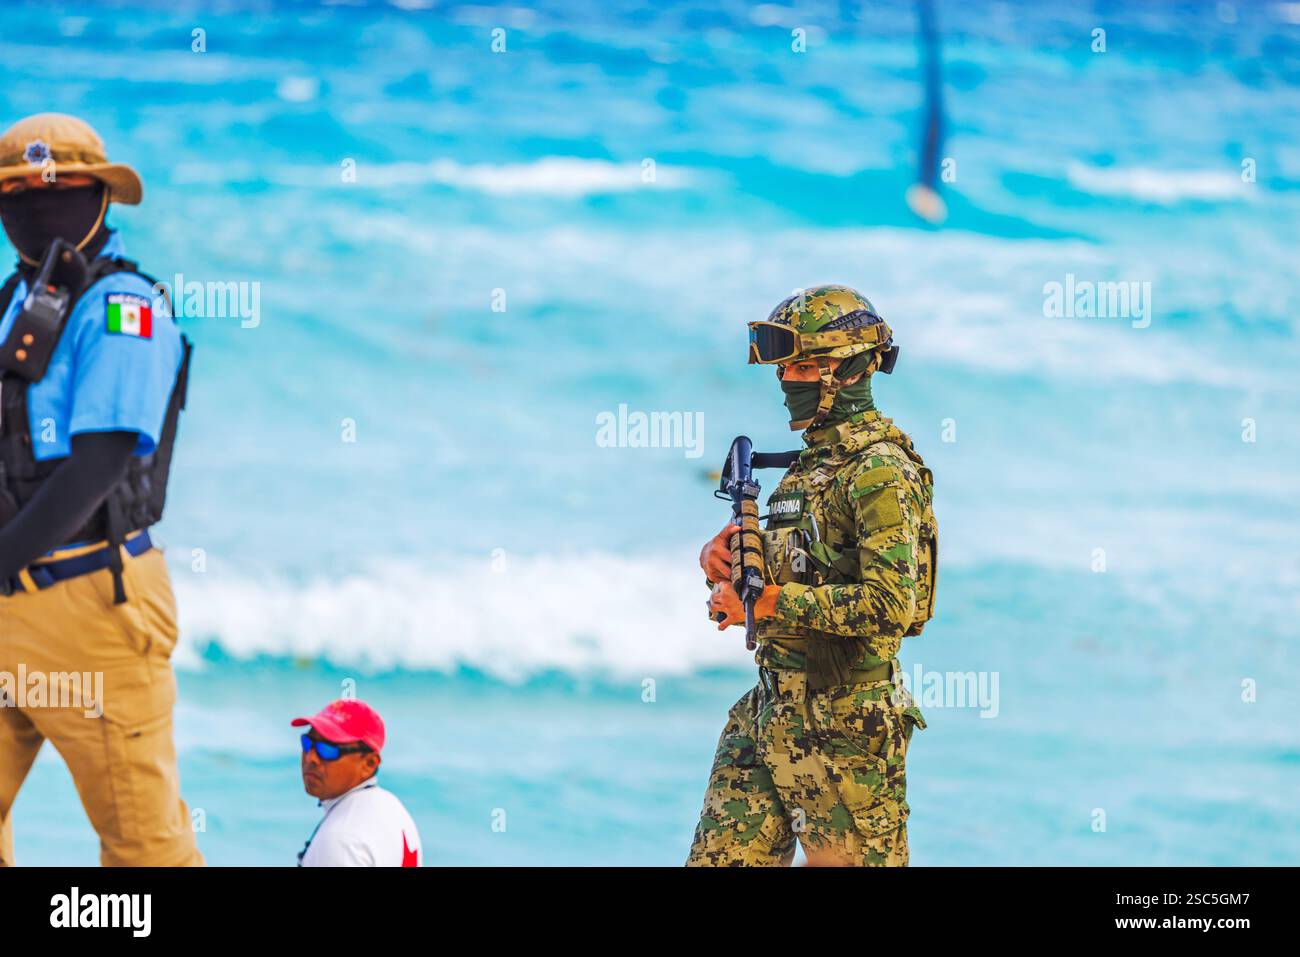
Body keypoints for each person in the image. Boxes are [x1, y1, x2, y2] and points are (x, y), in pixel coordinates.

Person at [0, 113, 198, 866]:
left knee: (144, 848)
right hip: (7, 599)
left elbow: (100, 463)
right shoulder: (16, 302)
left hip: (91, 603)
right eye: (15, 190)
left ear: (101, 198)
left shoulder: (125, 308)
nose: (35, 201)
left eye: (58, 186)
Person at [686, 285, 938, 867]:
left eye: (804, 365)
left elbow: (889, 604)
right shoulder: (808, 470)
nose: (787, 381)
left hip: (845, 729)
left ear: (847, 370)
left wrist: (771, 602)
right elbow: (794, 572)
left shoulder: (879, 471)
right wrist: (721, 562)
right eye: (786, 366)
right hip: (771, 711)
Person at [294, 699, 422, 867]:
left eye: (328, 750)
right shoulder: (392, 808)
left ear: (369, 764)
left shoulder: (341, 840)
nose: (311, 757)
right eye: (307, 743)